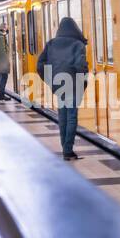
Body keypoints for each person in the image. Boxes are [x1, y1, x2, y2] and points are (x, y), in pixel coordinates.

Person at [37, 15, 88, 160]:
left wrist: (50, 80)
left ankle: (65, 148)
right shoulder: (78, 45)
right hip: (73, 85)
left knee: (63, 116)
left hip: (59, 84)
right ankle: (67, 149)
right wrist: (83, 83)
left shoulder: (51, 43)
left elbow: (40, 65)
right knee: (72, 117)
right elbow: (81, 66)